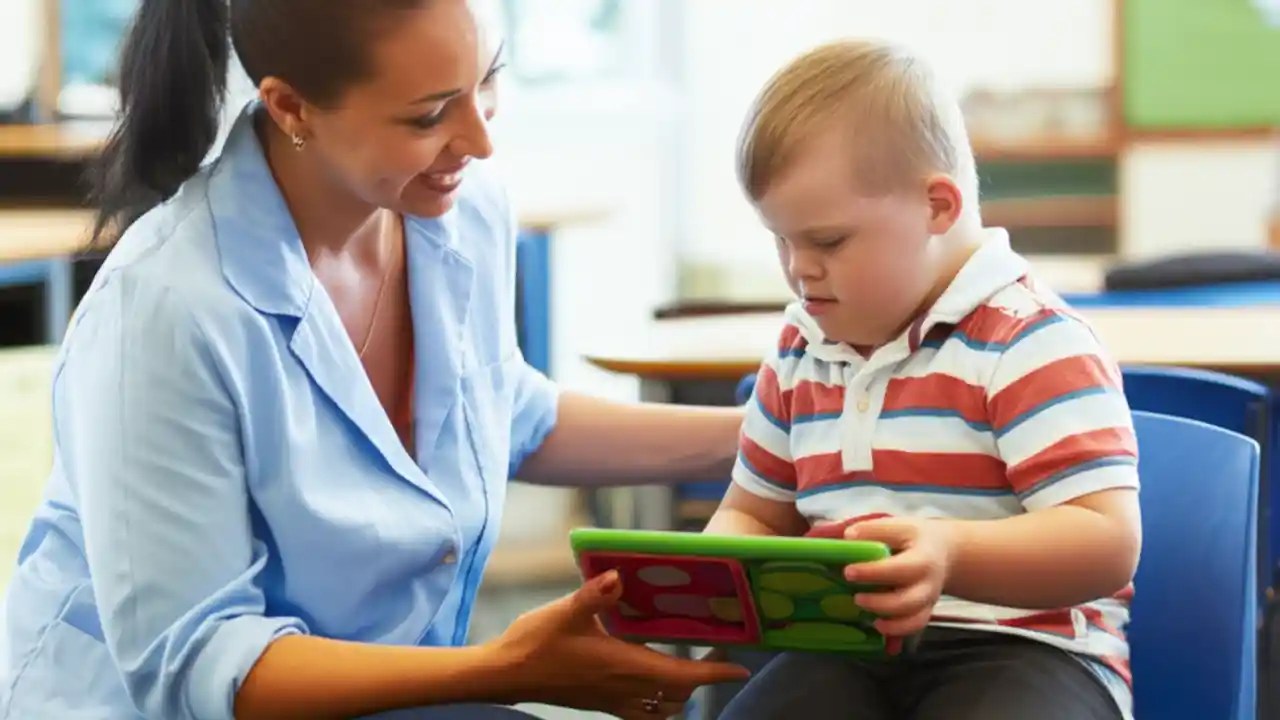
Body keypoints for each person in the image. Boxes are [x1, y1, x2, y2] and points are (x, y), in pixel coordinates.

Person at [0, 1, 752, 718]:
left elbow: (504, 413)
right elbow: (202, 660)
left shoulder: (460, 207)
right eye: (429, 115)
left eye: (488, 79)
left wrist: (764, 442)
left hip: (380, 695)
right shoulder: (168, 308)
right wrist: (508, 668)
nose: (480, 139)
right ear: (290, 107)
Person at [704, 40, 1141, 720]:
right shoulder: (800, 347)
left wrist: (951, 550)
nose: (798, 269)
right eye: (780, 239)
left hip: (1025, 645)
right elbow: (755, 511)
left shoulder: (1029, 340)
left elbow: (1105, 539)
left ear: (938, 206)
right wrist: (712, 568)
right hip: (845, 645)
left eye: (827, 242)